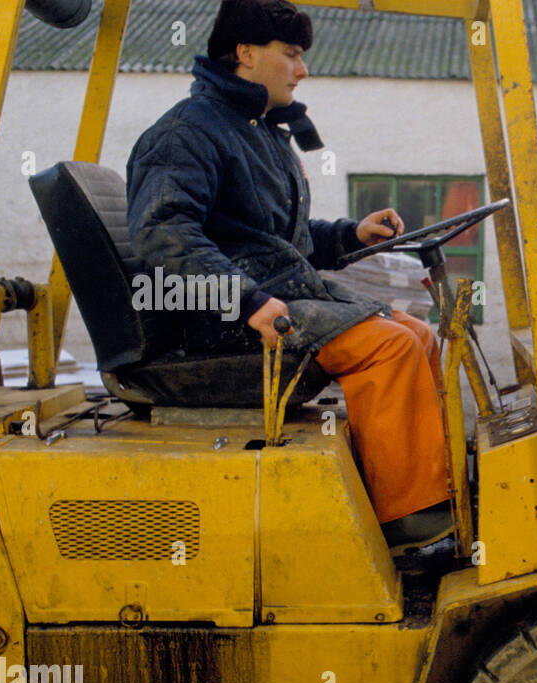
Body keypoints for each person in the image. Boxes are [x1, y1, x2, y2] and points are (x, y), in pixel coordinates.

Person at [125, 0, 452, 552]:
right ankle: (409, 527)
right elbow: (164, 233)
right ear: (246, 53)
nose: (303, 70)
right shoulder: (188, 133)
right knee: (389, 350)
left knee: (419, 335)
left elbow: (279, 240)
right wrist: (246, 299)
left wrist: (350, 235)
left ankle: (430, 494)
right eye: (292, 54)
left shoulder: (255, 131)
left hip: (277, 295)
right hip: (217, 323)